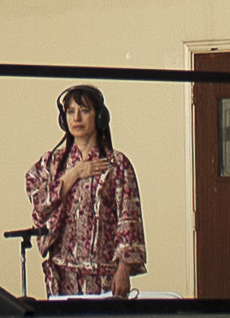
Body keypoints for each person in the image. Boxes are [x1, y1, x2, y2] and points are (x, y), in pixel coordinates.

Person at [25, 89, 142, 303]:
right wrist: (74, 174)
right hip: (62, 276)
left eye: (84, 110)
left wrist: (124, 269)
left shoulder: (117, 164)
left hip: (103, 276)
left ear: (98, 116)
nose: (76, 118)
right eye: (70, 112)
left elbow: (129, 220)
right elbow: (39, 205)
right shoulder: (53, 162)